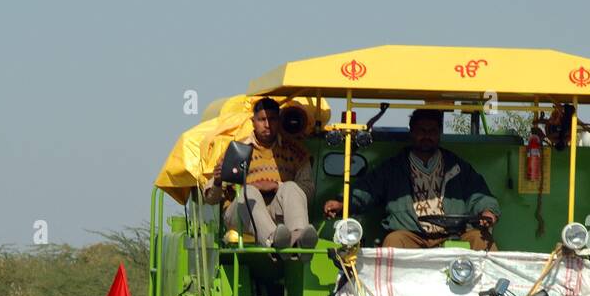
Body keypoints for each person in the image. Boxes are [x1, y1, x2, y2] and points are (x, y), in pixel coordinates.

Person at [325, 108, 499, 250]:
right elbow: (367, 190)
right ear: (412, 131)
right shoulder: (393, 167)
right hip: (412, 235)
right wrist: (342, 203)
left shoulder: (457, 166)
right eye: (421, 130)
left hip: (455, 234)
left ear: (439, 133)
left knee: (481, 239)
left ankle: (495, 291)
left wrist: (487, 211)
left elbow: (479, 194)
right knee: (394, 241)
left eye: (432, 131)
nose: (426, 135)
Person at [205, 97, 317, 249]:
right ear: (253, 121)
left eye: (272, 119)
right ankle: (273, 241)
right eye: (262, 119)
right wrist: (218, 181)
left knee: (291, 187)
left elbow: (308, 192)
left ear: (279, 121)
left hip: (276, 214)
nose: (267, 125)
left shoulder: (295, 151)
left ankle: (299, 239)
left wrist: (277, 186)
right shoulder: (238, 150)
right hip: (240, 216)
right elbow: (211, 199)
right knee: (249, 192)